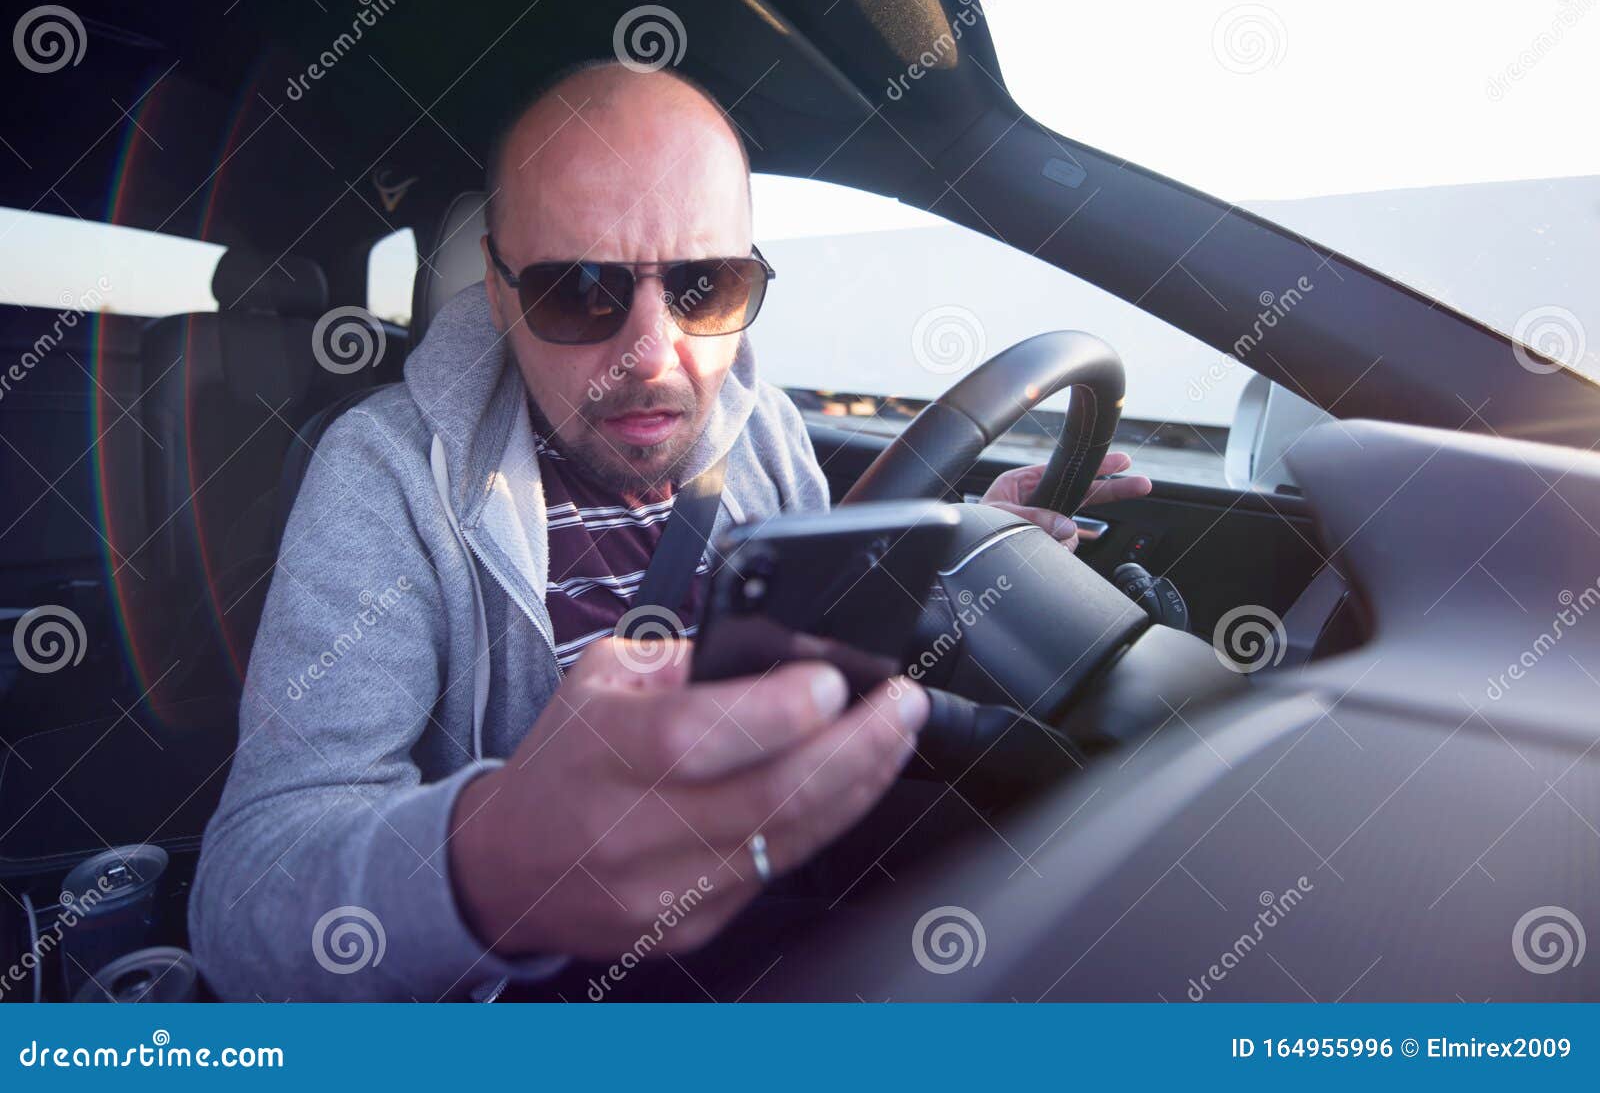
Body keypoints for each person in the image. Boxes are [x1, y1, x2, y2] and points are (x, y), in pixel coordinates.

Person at [188, 61, 1150, 1000]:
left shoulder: (760, 425)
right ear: (496, 287)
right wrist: (493, 866)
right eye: (581, 291)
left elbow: (819, 635)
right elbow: (246, 899)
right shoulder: (387, 472)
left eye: (706, 288)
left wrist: (974, 540)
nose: (654, 357)